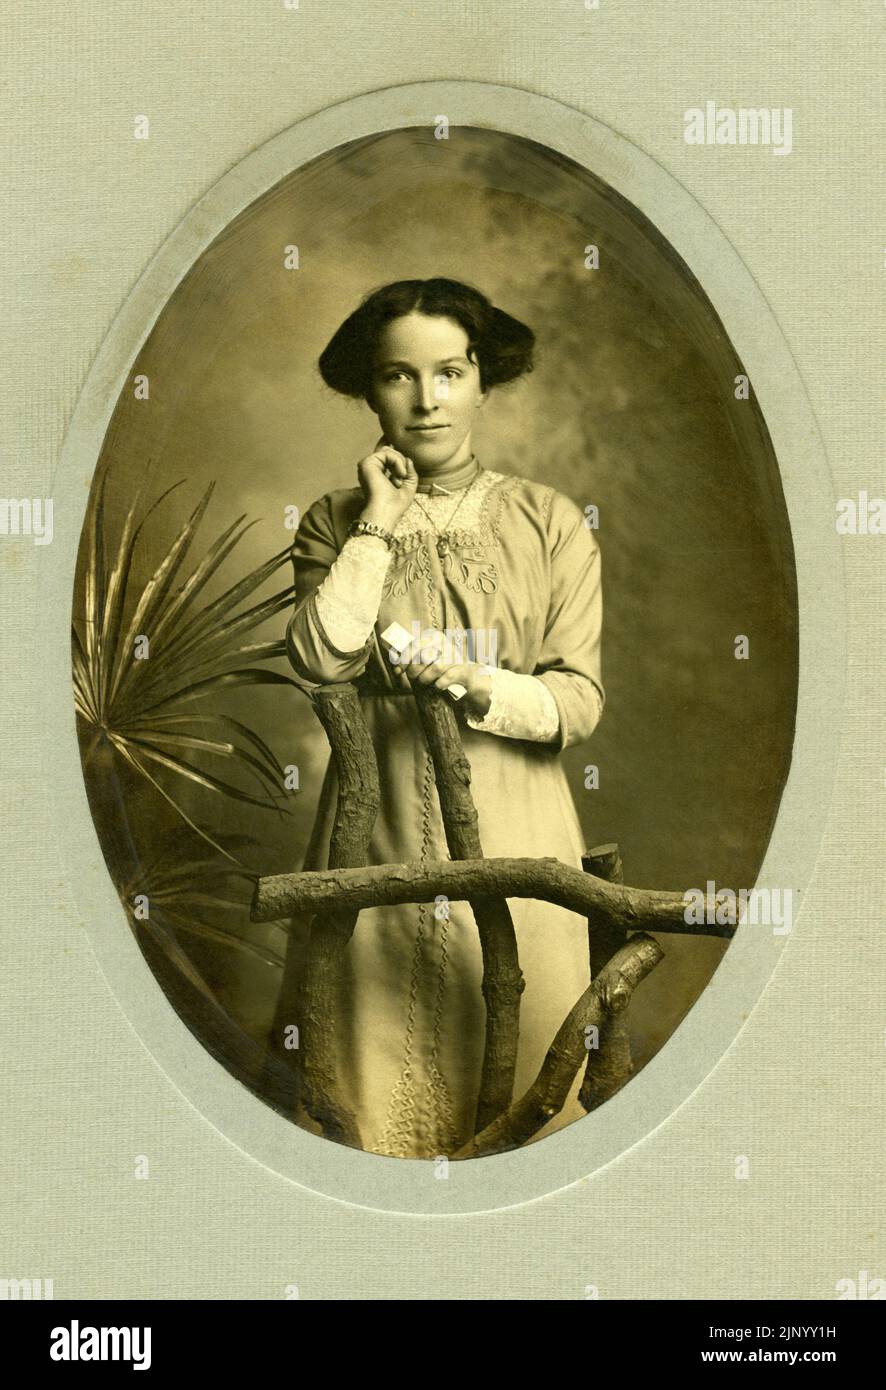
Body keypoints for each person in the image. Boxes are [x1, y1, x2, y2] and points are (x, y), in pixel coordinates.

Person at [274, 277, 604, 1159]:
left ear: (482, 381)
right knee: (364, 1109)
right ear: (368, 388)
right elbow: (317, 660)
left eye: (450, 372)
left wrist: (480, 682)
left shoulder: (550, 522)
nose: (427, 400)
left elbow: (580, 695)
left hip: (518, 828)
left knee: (525, 1083)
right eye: (398, 376)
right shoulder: (334, 522)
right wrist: (379, 522)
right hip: (368, 832)